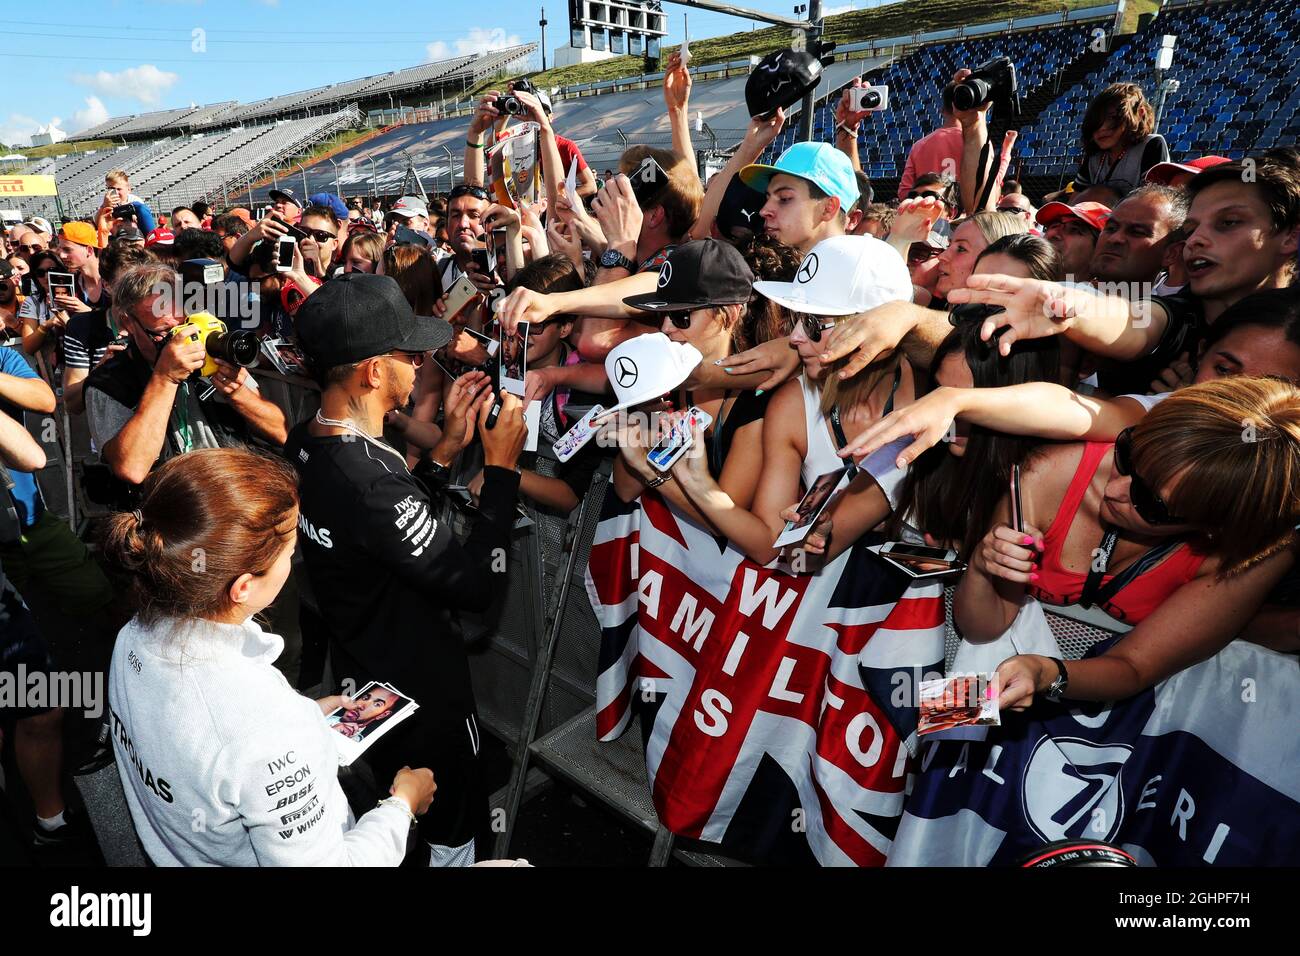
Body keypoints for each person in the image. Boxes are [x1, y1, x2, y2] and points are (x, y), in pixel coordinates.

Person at [285, 273, 528, 865]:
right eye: (410, 352)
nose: (422, 363)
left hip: (367, 676)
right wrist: (500, 472)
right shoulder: (368, 480)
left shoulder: (309, 440)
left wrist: (444, 451)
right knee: (454, 826)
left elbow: (382, 532)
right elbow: (471, 586)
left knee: (399, 802)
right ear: (372, 371)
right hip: (424, 696)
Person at [102, 447, 437, 866]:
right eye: (288, 551)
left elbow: (206, 750)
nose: (293, 562)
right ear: (242, 587)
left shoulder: (131, 639)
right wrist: (402, 805)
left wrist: (306, 717)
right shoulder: (265, 729)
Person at [86, 262, 288, 487]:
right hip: (168, 503)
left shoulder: (207, 349)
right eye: (165, 332)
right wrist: (165, 378)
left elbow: (282, 433)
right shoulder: (108, 383)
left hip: (236, 487)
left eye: (184, 326)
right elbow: (131, 468)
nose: (179, 340)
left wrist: (239, 394)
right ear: (128, 323)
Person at [1072, 82, 1170, 198]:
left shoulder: (1151, 145)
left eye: (1113, 118)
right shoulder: (1094, 155)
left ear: (1139, 113)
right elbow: (1076, 200)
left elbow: (1153, 202)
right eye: (1096, 120)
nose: (1102, 127)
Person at [1089, 184, 1187, 286]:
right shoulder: (1072, 295)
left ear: (1171, 254)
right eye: (1111, 228)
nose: (1114, 239)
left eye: (1137, 232)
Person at [1035, 201, 1109, 283]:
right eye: (1054, 225)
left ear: (1097, 251)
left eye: (1074, 229)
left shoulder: (1102, 294)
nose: (1054, 234)